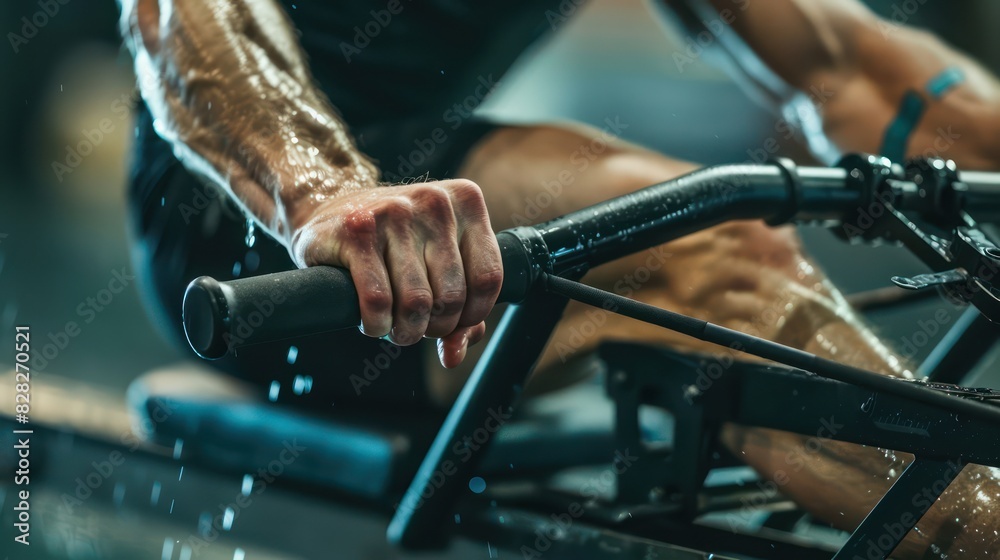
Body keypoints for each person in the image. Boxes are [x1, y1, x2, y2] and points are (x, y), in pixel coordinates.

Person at [119, 0, 1000, 556]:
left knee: (705, 232)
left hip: (441, 190)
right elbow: (188, 19)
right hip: (248, 228)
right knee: (709, 250)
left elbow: (851, 67)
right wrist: (324, 194)